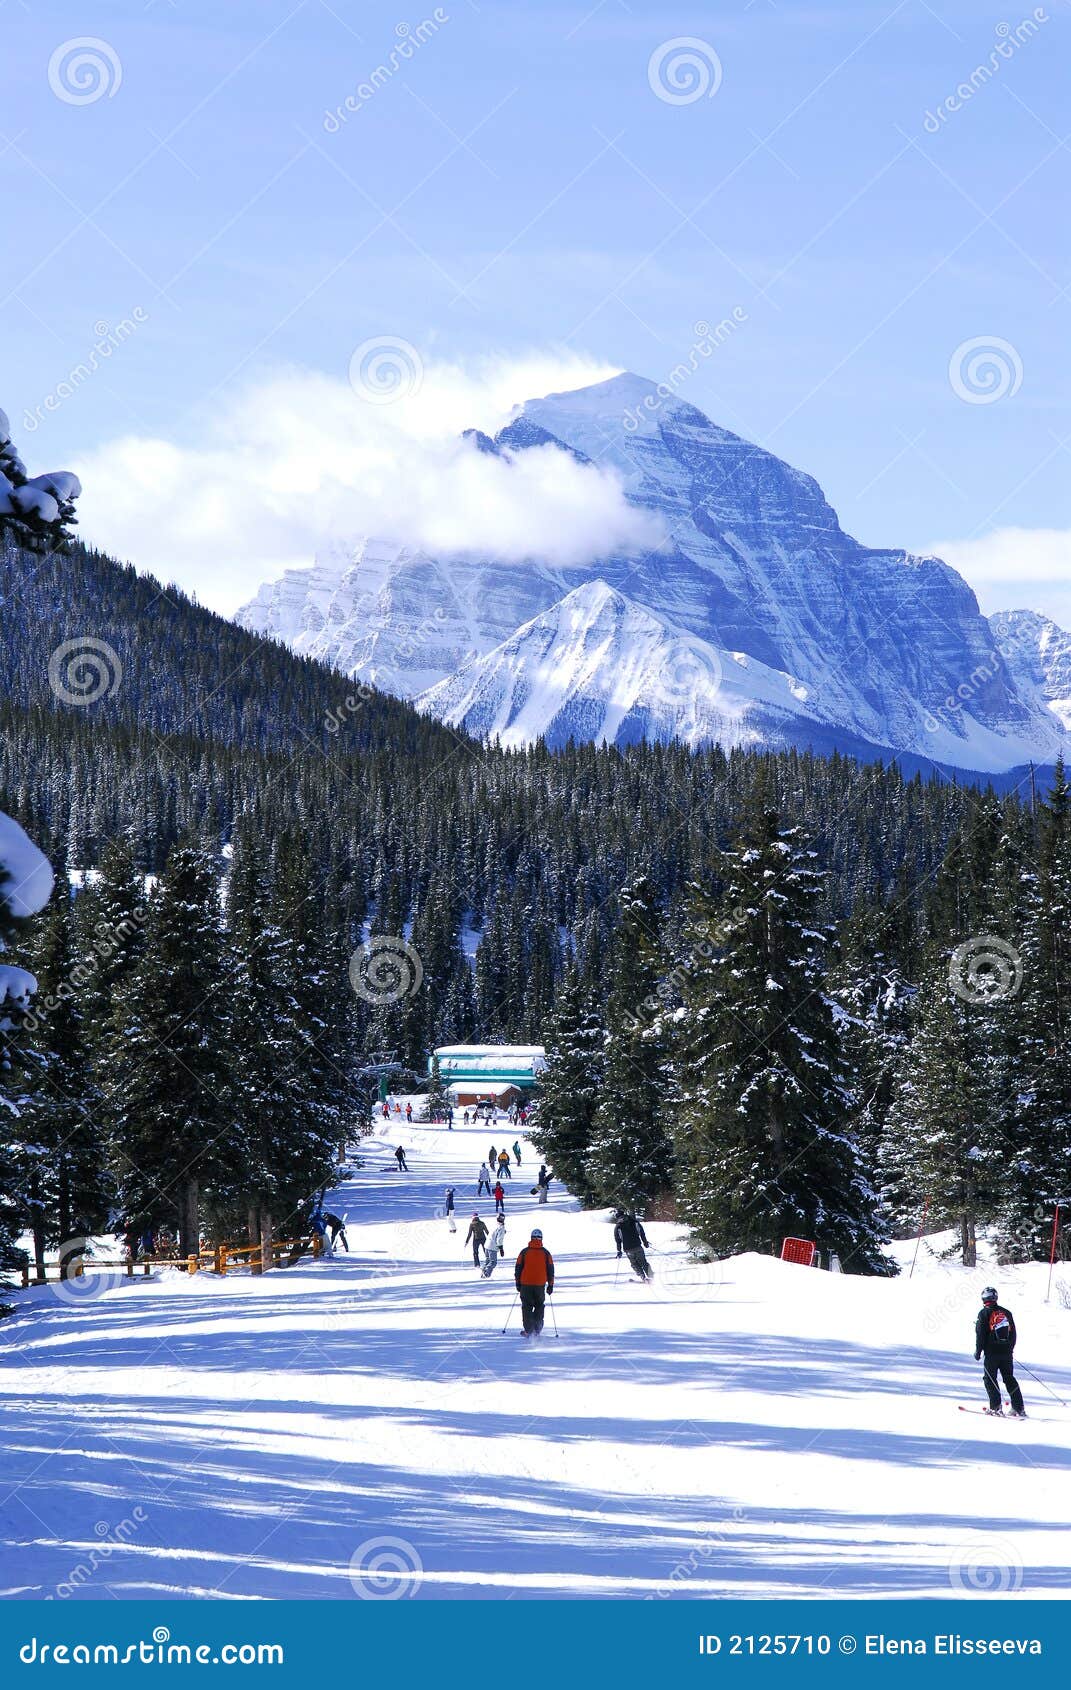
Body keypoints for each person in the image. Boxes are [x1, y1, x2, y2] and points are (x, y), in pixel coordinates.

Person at [974, 1286, 1026, 1417]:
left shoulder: (983, 1313)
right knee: (1009, 1378)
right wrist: (1010, 1349)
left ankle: (996, 1407)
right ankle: (1018, 1408)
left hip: (991, 1353)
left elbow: (980, 1334)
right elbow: (1013, 1333)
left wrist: (978, 1350)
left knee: (989, 1379)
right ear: (995, 1297)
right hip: (1007, 1353)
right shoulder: (1006, 1313)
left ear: (983, 1298)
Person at [515, 1227, 555, 1337]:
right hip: (540, 1285)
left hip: (526, 1284)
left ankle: (528, 1330)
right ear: (541, 1239)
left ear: (531, 1238)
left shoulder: (524, 1252)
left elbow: (518, 1268)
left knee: (527, 1306)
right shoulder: (546, 1253)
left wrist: (517, 1283)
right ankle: (537, 1329)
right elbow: (550, 1269)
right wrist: (550, 1285)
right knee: (539, 1305)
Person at [613, 1211, 652, 1280]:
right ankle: (651, 1276)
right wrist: (645, 1242)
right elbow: (641, 1232)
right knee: (643, 1262)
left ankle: (642, 1276)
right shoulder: (633, 1221)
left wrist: (619, 1251)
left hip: (628, 1249)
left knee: (634, 1264)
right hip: (638, 1246)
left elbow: (618, 1240)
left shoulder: (618, 1226)